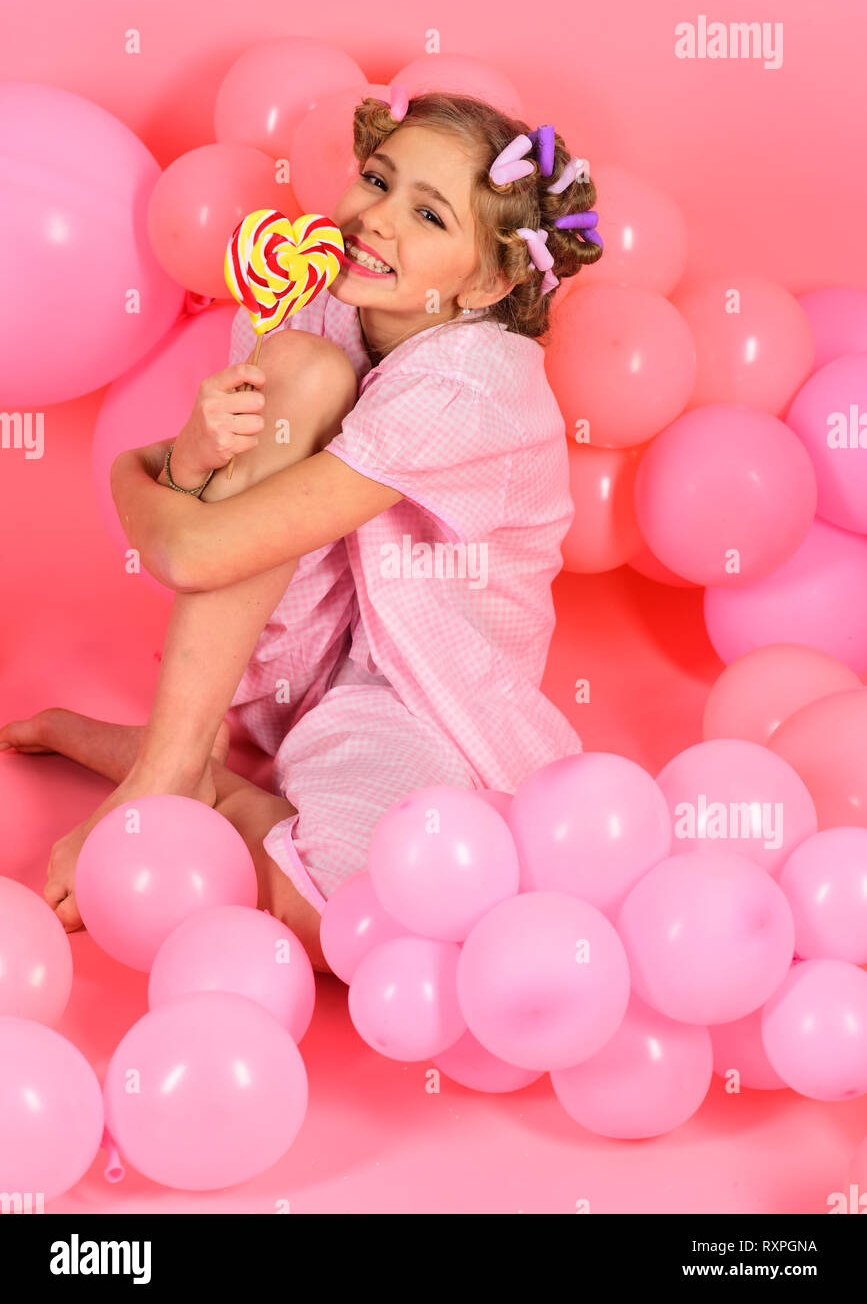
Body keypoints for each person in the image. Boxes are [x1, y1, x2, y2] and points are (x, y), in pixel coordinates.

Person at [0, 89, 603, 973]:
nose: (376, 219)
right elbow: (194, 518)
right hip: (287, 654)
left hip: (412, 697)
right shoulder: (303, 310)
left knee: (360, 925)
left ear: (486, 281)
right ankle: (169, 771)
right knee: (306, 367)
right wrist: (196, 459)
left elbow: (189, 548)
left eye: (428, 214)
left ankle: (193, 772)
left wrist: (151, 483)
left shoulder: (469, 385)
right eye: (376, 179)